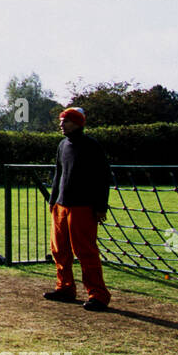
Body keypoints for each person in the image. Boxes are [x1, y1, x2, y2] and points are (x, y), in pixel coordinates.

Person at [43, 107, 112, 311]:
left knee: (85, 251)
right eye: (61, 121)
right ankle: (65, 287)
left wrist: (100, 207)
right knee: (59, 249)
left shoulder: (92, 146)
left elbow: (103, 177)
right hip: (61, 206)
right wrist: (52, 200)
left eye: (66, 121)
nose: (61, 125)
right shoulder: (62, 145)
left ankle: (98, 295)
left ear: (78, 123)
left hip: (83, 206)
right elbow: (58, 173)